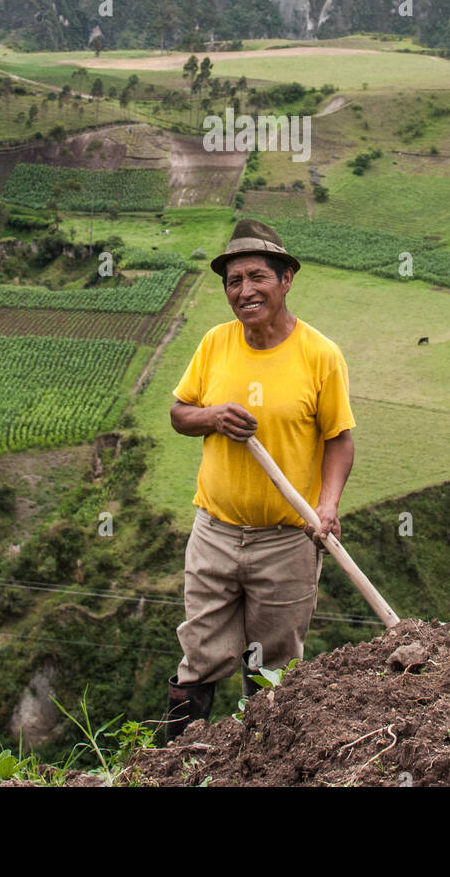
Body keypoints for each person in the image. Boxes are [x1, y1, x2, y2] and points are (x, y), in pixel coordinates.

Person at [164, 218, 355, 743]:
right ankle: (174, 765)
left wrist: (328, 505)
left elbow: (339, 439)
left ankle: (262, 762)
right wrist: (213, 418)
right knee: (199, 653)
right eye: (233, 281)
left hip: (288, 540)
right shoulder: (215, 344)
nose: (244, 291)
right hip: (215, 532)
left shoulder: (320, 356)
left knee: (273, 667)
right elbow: (181, 414)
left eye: (257, 277)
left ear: (286, 278)